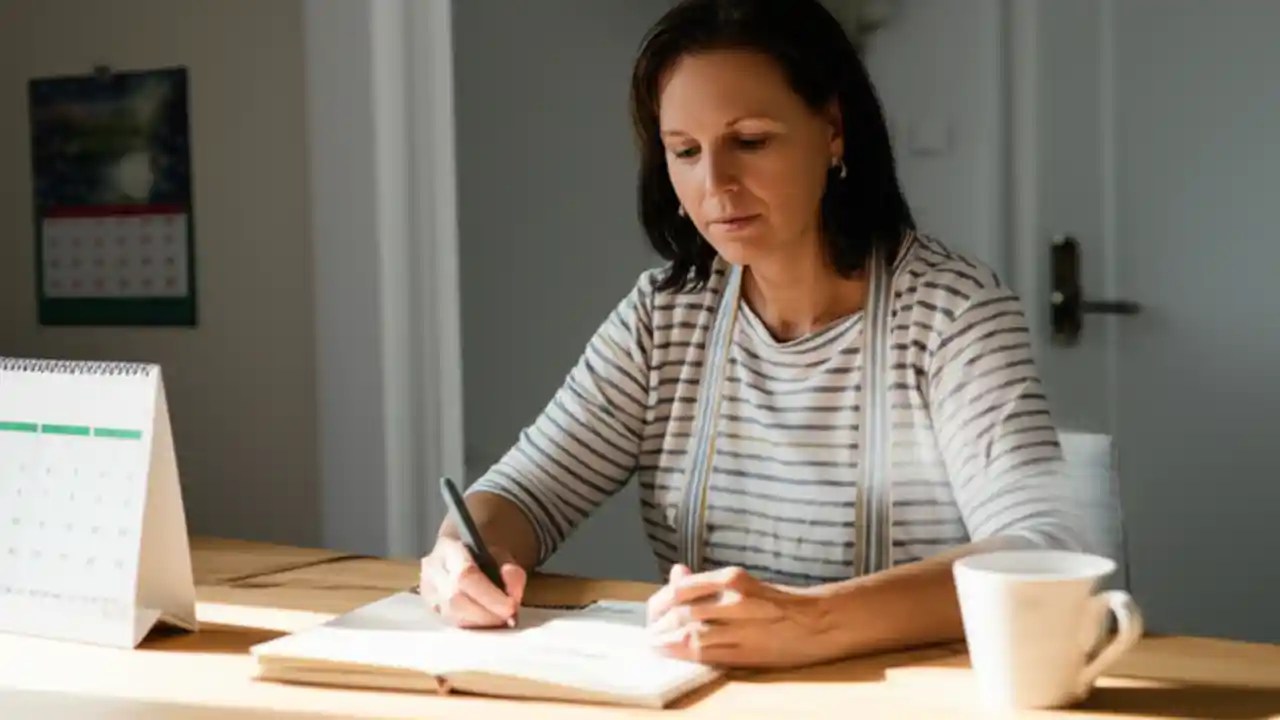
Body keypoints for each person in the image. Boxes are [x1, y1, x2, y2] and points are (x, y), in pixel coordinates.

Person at [420, 0, 1083, 669]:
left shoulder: (954, 312)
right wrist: (466, 555)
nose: (715, 185)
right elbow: (524, 496)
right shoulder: (663, 317)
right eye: (685, 151)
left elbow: (1039, 551)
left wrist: (812, 622)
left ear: (832, 131)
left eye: (751, 141)